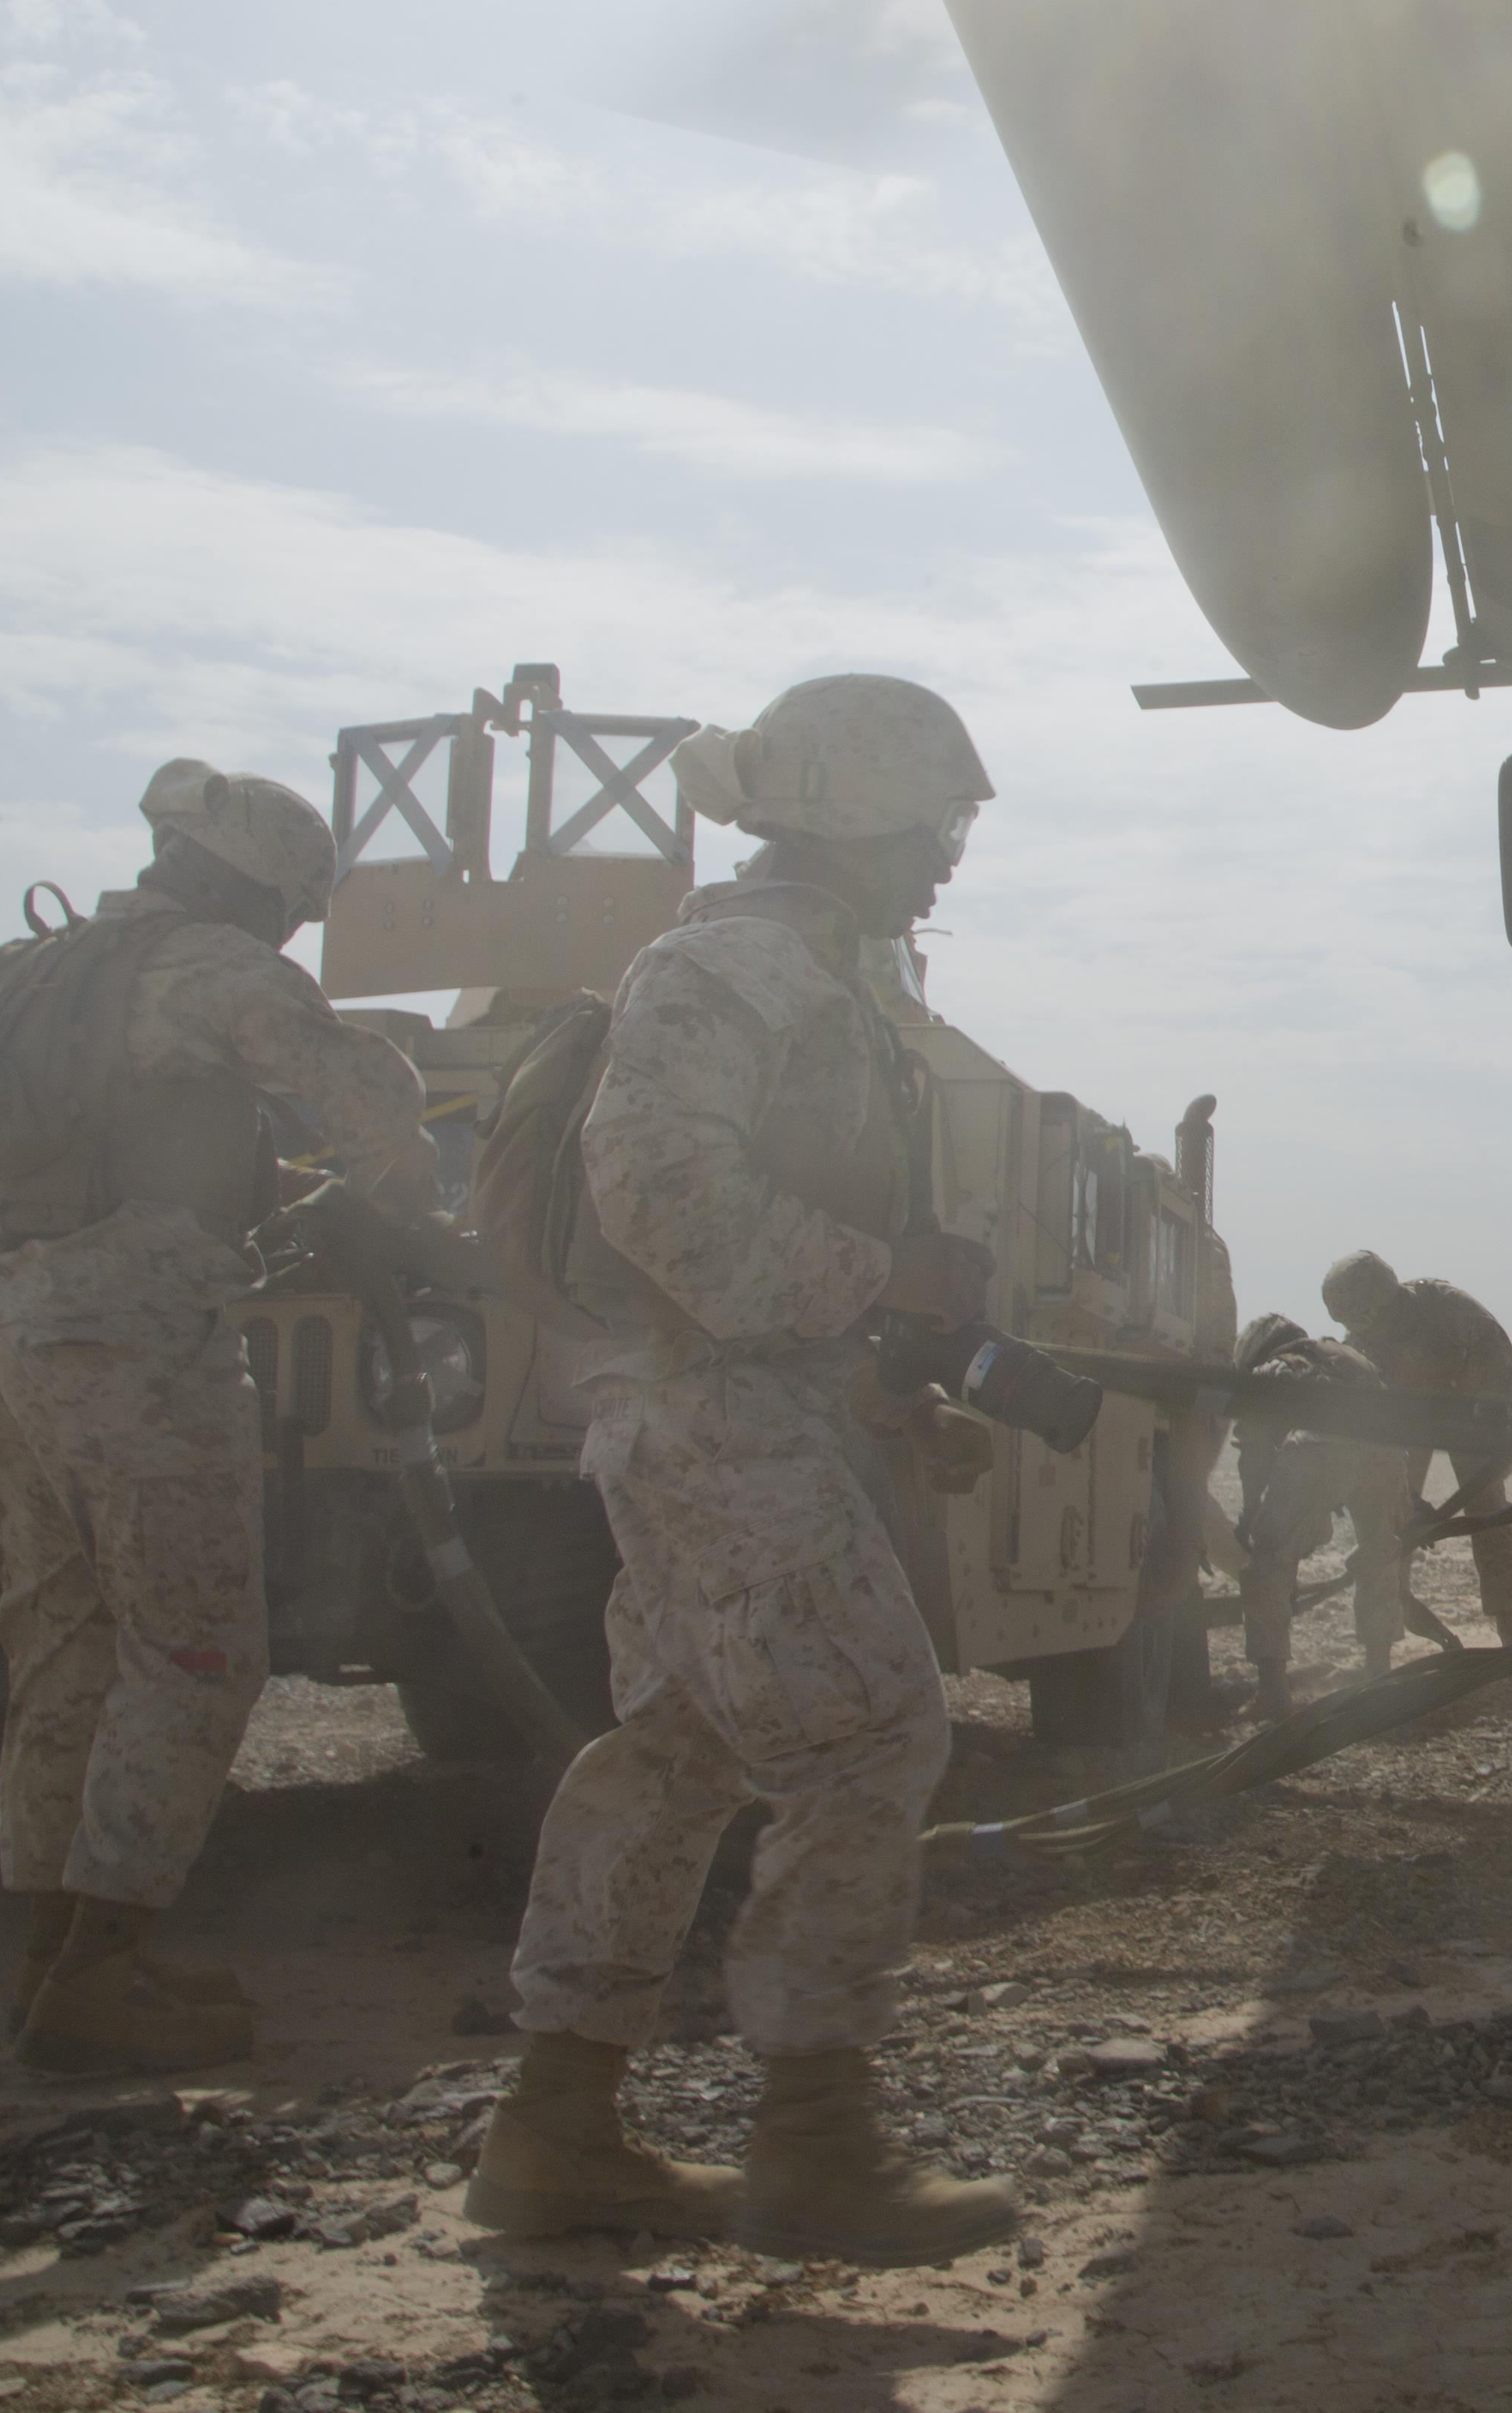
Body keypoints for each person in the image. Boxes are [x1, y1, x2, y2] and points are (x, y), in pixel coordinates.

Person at [470, 675, 1018, 2263]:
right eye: (933, 824)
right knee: (868, 1739)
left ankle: (555, 2135)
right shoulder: (732, 970)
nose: (945, 859)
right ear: (853, 816)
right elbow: (661, 1201)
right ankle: (815, 2144)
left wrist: (892, 1381)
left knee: (676, 1757)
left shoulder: (818, 984)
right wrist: (885, 1282)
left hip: (740, 1409)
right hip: (712, 1417)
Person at [0, 758, 435, 2075]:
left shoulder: (24, 968)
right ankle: (109, 1971)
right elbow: (372, 1107)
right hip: (138, 1337)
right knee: (196, 1644)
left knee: (59, 1639)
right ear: (267, 893)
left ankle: (50, 1958)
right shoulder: (217, 970)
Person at [1320, 1252, 1512, 1644]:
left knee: (1488, 1510)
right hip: (1408, 1424)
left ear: (1387, 1298)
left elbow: (1507, 1374)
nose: (1372, 1330)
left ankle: (1510, 1626)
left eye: (1372, 1319)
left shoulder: (1453, 1311)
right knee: (1389, 1514)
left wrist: (1510, 1433)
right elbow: (1358, 1411)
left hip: (1474, 1417)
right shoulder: (1363, 1341)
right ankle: (1386, 1630)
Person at [1228, 1312, 1423, 1715]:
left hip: (1319, 1449)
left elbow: (1253, 1451)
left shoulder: (1271, 1370)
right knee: (1380, 1554)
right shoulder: (1348, 1356)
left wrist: (1251, 1514)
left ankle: (1272, 1691)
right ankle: (1378, 1673)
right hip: (1385, 1453)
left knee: (1269, 1561)